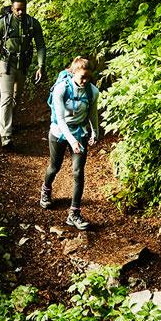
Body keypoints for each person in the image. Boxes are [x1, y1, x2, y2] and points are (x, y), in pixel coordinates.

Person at [40, 57, 100, 230]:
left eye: (88, 77)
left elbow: (92, 113)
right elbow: (60, 119)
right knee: (54, 166)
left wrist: (95, 131)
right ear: (73, 73)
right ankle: (46, 189)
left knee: (78, 172)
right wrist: (71, 141)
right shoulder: (61, 89)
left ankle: (74, 213)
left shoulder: (93, 91)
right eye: (82, 77)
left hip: (79, 132)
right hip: (59, 132)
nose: (85, 81)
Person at [0, 0, 46, 148]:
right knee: (6, 97)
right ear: (12, 8)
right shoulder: (3, 24)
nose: (20, 12)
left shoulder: (33, 23)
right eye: (17, 9)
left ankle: (9, 122)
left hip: (23, 66)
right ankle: (6, 136)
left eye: (23, 9)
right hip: (6, 64)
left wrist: (41, 65)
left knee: (16, 98)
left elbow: (40, 45)